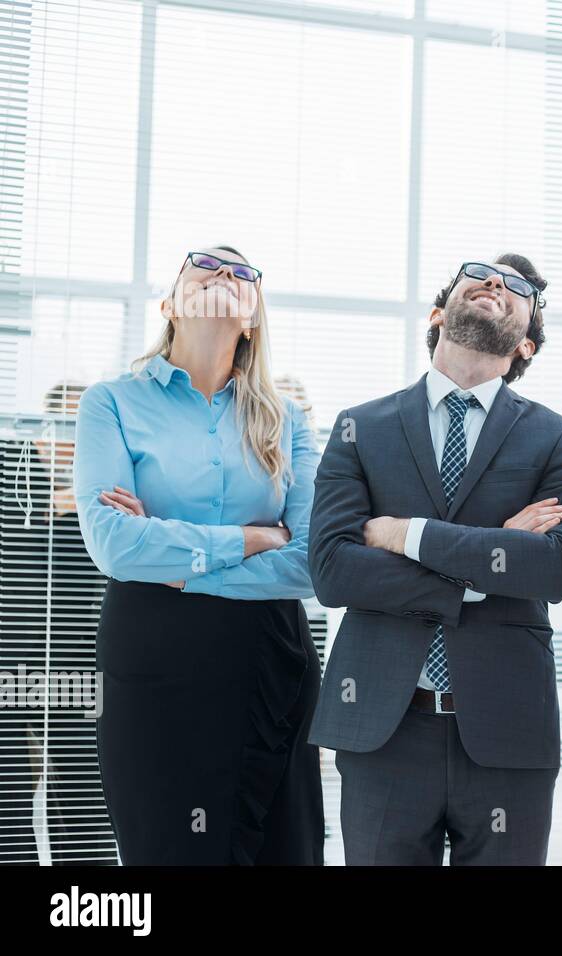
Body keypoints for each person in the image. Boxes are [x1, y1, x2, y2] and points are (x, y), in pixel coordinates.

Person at [309, 254, 562, 866]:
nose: (496, 284)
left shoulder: (556, 437)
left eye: (518, 290)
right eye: (481, 275)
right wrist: (490, 557)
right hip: (384, 727)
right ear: (439, 314)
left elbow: (556, 569)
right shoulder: (360, 427)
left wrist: (407, 535)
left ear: (526, 346)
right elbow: (332, 569)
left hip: (507, 730)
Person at [73, 246, 324, 865]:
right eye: (206, 265)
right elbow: (114, 544)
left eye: (243, 273)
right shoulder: (110, 403)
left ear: (253, 316)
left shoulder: (286, 420)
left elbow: (313, 558)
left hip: (270, 657)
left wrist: (178, 560)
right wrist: (252, 538)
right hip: (155, 656)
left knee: (282, 847)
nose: (225, 275)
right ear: (169, 305)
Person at [0, 382, 116, 864]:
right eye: (69, 428)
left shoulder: (103, 486)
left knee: (84, 790)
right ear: (44, 432)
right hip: (10, 659)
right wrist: (53, 505)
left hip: (75, 665)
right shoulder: (14, 470)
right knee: (9, 789)